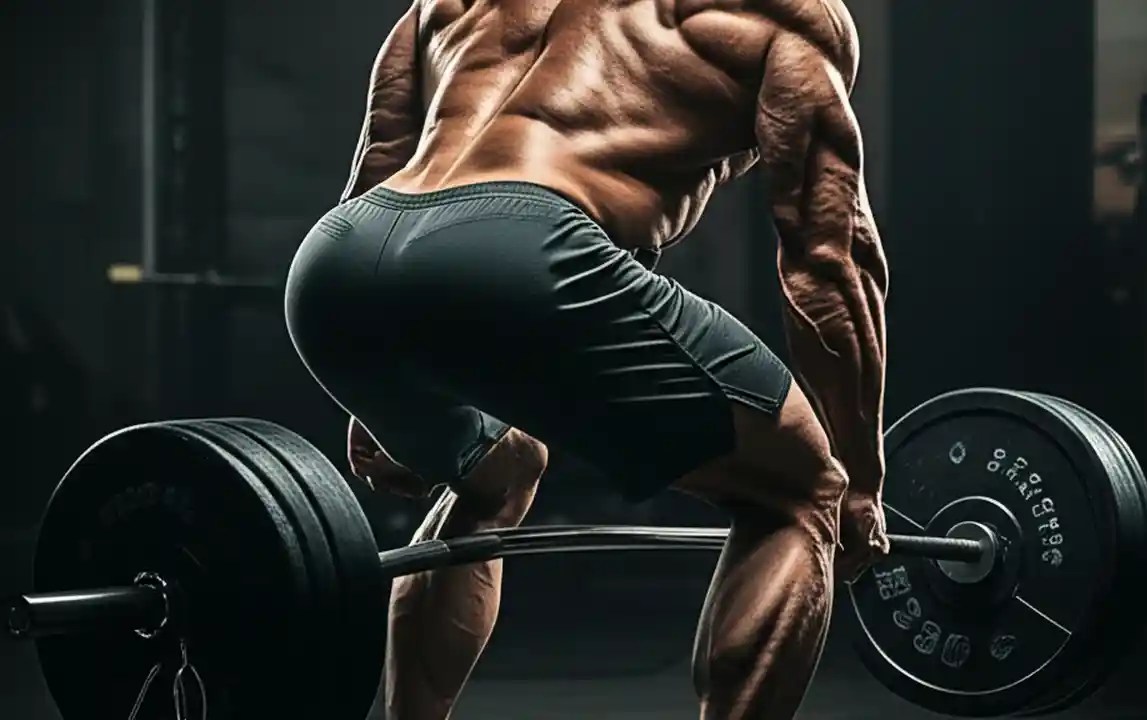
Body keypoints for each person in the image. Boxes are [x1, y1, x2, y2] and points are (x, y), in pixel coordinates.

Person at [284, 0, 890, 718]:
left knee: (498, 473)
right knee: (801, 491)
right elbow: (829, 255)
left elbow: (379, 161)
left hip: (340, 263)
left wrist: (382, 396)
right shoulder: (783, 14)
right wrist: (859, 476)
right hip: (525, 248)